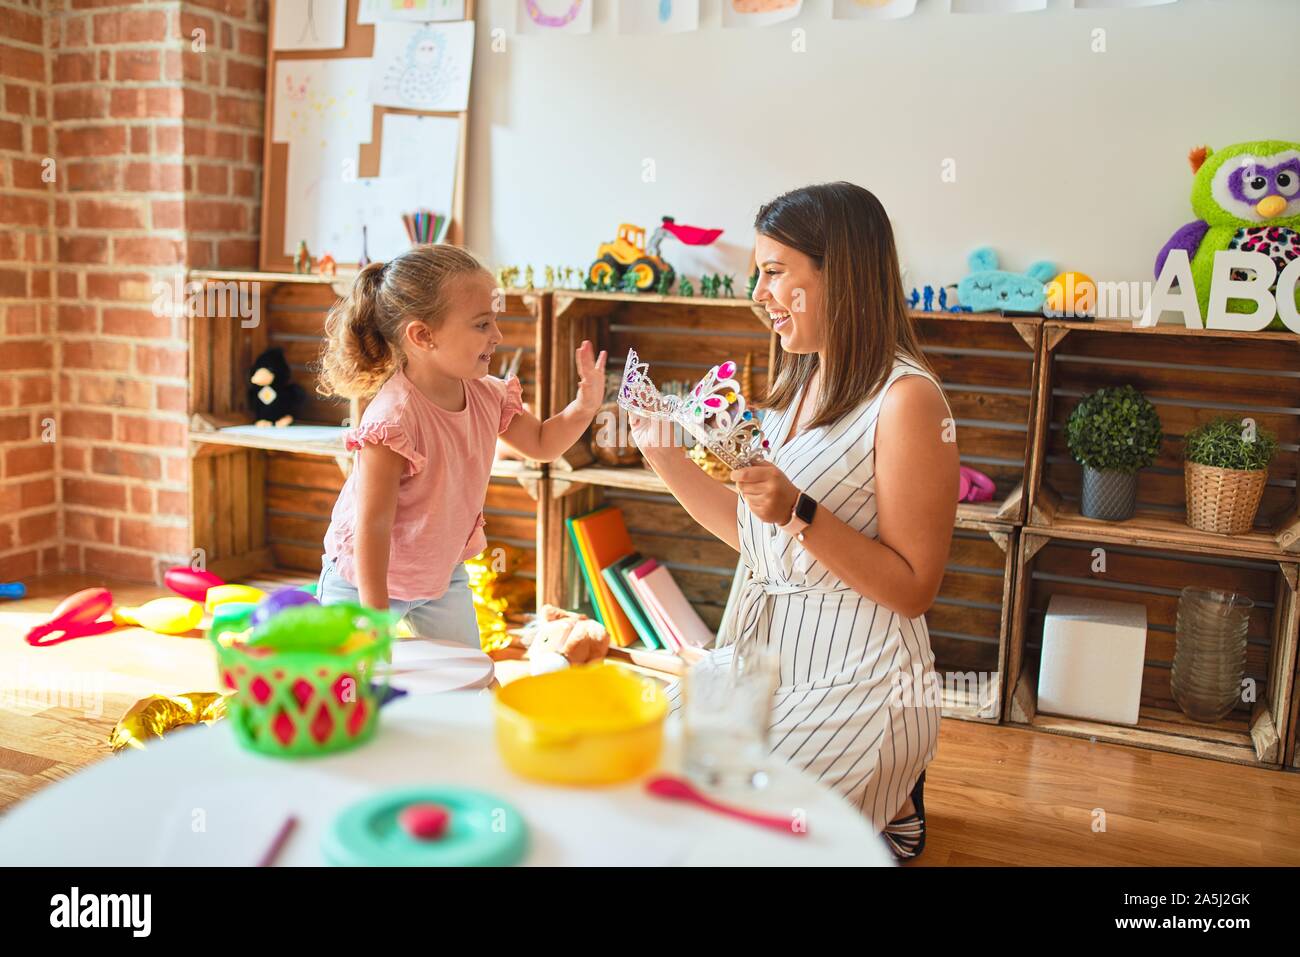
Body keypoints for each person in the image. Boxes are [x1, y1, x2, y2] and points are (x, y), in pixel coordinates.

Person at [630, 183, 959, 860]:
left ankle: (893, 798)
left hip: (865, 675)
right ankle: (887, 806)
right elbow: (759, 539)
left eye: (775, 272)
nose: (760, 293)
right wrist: (665, 458)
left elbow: (914, 587)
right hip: (766, 658)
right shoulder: (797, 387)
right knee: (637, 770)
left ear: (840, 273)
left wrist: (801, 511)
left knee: (730, 838)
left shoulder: (909, 401)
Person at [316, 243, 607, 646]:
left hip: (440, 576)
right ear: (423, 335)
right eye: (481, 324)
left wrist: (584, 405)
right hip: (363, 583)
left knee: (470, 681)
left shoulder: (488, 394)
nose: (498, 335)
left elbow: (541, 443)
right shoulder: (392, 420)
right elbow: (373, 525)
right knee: (349, 688)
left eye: (495, 321)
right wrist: (375, 617)